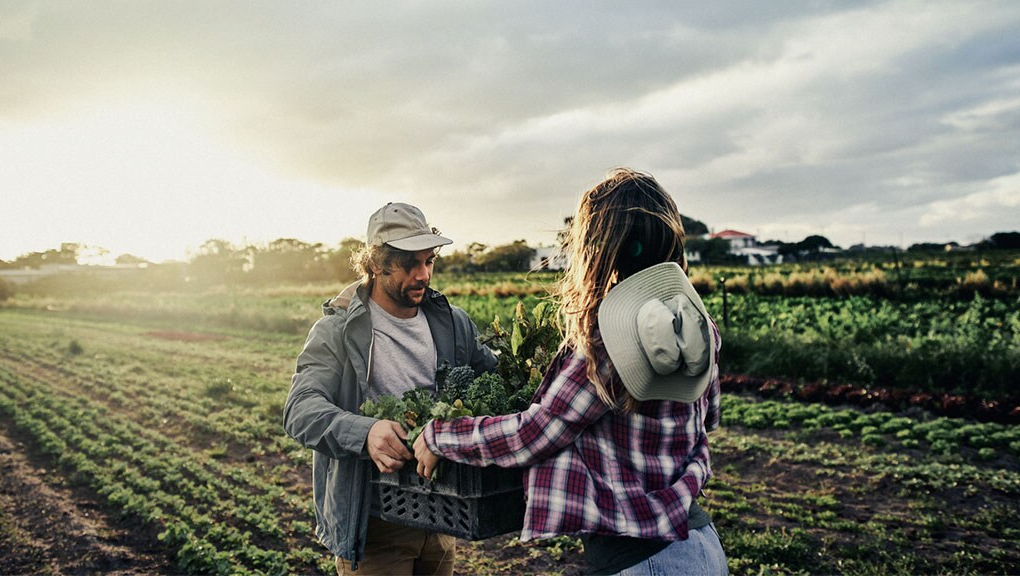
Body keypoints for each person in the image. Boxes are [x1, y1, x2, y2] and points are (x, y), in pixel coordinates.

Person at [413, 168, 728, 575]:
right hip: (699, 545)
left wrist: (439, 435)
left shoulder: (609, 339)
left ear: (598, 248)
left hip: (641, 558)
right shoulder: (697, 326)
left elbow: (533, 435)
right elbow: (709, 419)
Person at [283, 202, 498, 575]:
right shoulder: (337, 331)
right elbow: (300, 410)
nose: (423, 274)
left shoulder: (454, 324)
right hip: (375, 524)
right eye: (410, 264)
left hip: (443, 517)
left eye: (429, 261)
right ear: (375, 264)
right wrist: (365, 433)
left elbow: (496, 380)